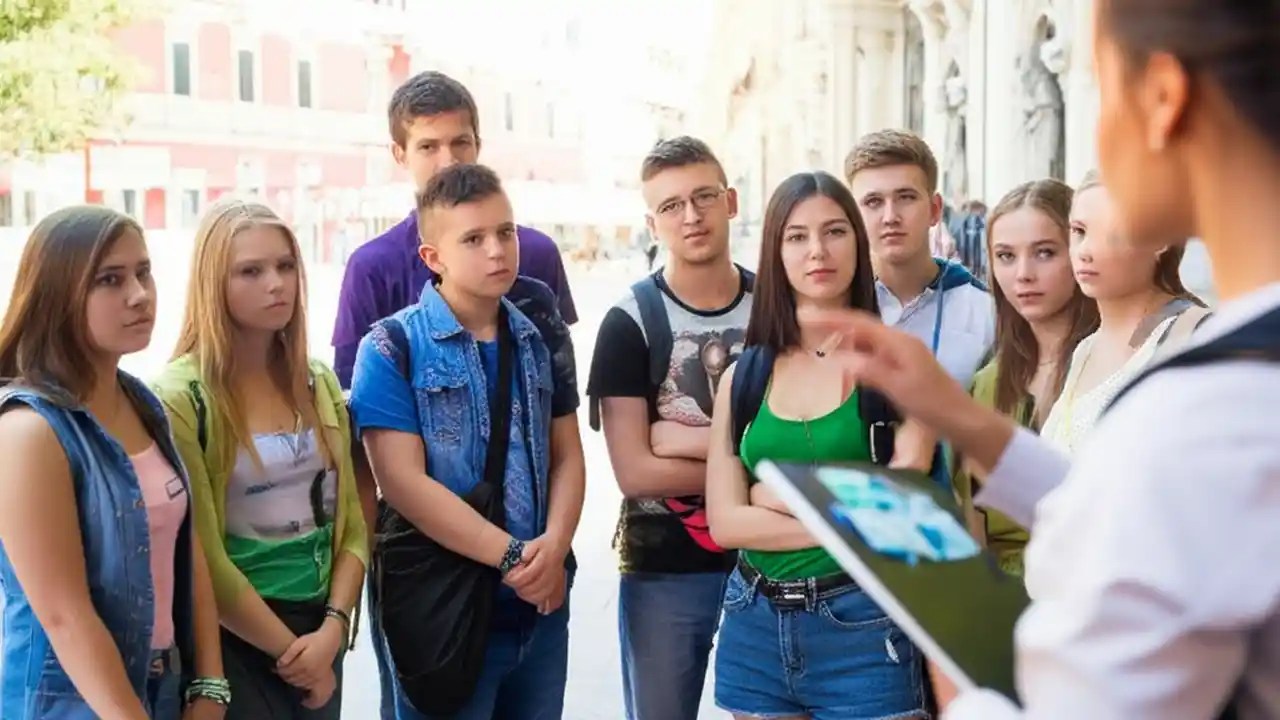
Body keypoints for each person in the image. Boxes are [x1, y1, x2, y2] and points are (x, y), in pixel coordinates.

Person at [803, 0, 1280, 715]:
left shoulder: (1198, 410)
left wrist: (946, 633)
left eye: (1098, 82)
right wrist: (967, 422)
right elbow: (1134, 511)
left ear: (1161, 99)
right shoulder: (1215, 396)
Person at [330, 70, 579, 718]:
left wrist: (552, 548)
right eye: (473, 240)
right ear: (433, 254)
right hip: (438, 586)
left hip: (537, 590)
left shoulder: (536, 306)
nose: (497, 252)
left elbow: (562, 443)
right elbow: (391, 472)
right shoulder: (383, 308)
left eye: (506, 234)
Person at [705, 171, 935, 719]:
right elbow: (726, 525)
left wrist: (772, 494)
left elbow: (900, 518)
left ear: (858, 242)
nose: (818, 251)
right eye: (797, 236)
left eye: (834, 232)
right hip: (754, 621)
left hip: (864, 627)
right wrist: (838, 520)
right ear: (775, 251)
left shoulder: (901, 368)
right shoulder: (744, 377)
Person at [0, 206, 225, 719]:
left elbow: (184, 546)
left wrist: (210, 685)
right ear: (57, 296)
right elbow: (63, 615)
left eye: (143, 272)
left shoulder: (142, 403)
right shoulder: (28, 429)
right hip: (72, 701)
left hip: (165, 684)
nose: (140, 295)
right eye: (110, 279)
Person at [153, 198, 368, 719]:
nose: (277, 283)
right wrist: (297, 656)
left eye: (286, 265)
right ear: (213, 283)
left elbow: (356, 525)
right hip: (234, 642)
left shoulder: (318, 382)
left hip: (321, 628)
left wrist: (334, 628)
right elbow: (202, 558)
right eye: (251, 271)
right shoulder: (181, 397)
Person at [586, 136, 751, 720]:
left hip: (768, 564)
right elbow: (636, 472)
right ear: (651, 222)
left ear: (731, 201)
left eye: (704, 197)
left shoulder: (778, 308)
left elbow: (803, 445)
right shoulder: (628, 322)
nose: (692, 216)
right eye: (672, 205)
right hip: (665, 566)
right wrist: (750, 461)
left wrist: (681, 439)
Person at [332, 70, 578, 389]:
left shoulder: (537, 253)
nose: (448, 161)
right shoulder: (372, 266)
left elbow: (559, 385)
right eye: (428, 147)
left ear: (477, 144)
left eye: (460, 142)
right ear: (400, 154)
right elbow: (352, 393)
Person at [954, 180, 1097, 576]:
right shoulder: (986, 384)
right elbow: (975, 526)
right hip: (1004, 607)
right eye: (1005, 256)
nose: (1023, 274)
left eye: (1045, 253)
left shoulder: (1114, 366)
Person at [1038, 171, 1207, 453]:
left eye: (1113, 233)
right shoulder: (1084, 349)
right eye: (1079, 231)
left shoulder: (1192, 335)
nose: (1085, 251)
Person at [844, 129, 994, 387]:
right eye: (873, 202)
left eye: (905, 198)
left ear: (935, 210)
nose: (890, 216)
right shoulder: (837, 307)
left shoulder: (984, 313)